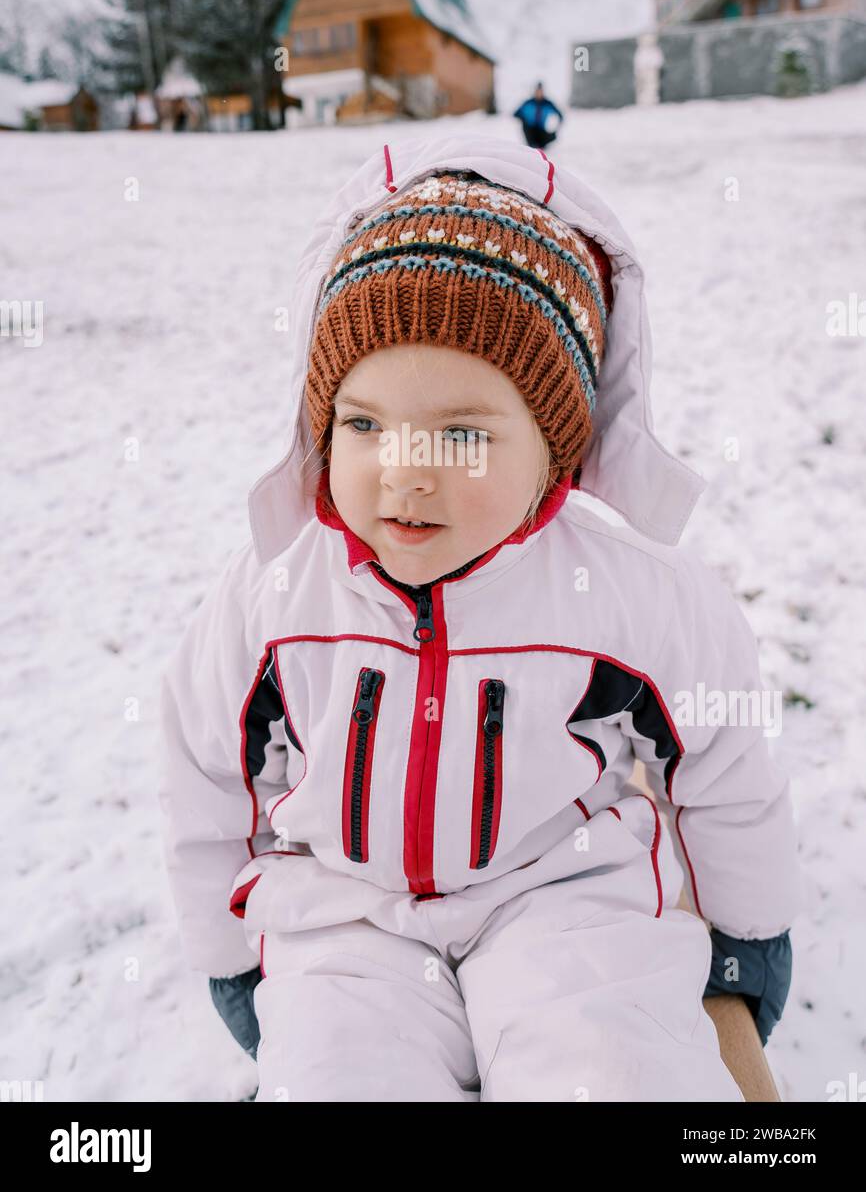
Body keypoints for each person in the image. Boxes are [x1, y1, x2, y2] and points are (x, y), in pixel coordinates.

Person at [157, 136, 804, 1102]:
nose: (404, 468)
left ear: (556, 449)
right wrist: (227, 955)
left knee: (613, 1070)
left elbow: (722, 762)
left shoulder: (628, 593)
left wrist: (749, 933)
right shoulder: (273, 597)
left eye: (461, 433)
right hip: (347, 918)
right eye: (364, 424)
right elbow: (208, 777)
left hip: (565, 895)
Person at [513, 81, 563, 148]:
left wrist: (556, 126)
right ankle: (532, 144)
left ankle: (541, 145)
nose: (539, 93)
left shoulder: (547, 103)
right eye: (537, 91)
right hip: (530, 130)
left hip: (541, 130)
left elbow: (559, 114)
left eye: (540, 91)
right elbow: (516, 113)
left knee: (552, 136)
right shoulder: (528, 102)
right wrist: (524, 119)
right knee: (528, 130)